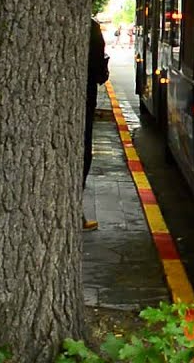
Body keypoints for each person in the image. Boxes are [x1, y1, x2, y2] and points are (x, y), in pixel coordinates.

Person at [83, 17, 109, 231]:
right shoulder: (91, 29)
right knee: (83, 153)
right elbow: (100, 69)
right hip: (85, 97)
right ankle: (76, 211)